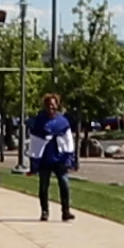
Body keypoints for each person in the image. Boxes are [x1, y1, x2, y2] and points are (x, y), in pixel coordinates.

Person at [28, 93, 77, 222]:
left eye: (53, 105)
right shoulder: (39, 121)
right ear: (45, 106)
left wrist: (69, 157)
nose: (51, 107)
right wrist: (33, 160)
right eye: (49, 105)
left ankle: (66, 211)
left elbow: (68, 140)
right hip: (44, 159)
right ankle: (45, 211)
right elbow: (34, 141)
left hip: (60, 158)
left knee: (64, 184)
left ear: (57, 106)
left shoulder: (62, 121)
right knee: (44, 186)